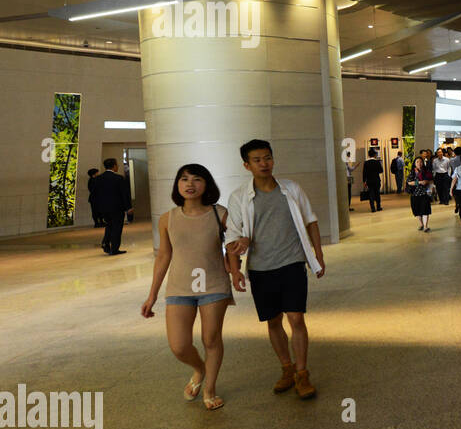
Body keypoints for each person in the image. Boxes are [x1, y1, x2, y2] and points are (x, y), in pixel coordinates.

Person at [224, 139, 324, 400]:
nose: (263, 163)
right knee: (273, 321)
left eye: (267, 158)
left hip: (292, 262)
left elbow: (310, 220)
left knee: (296, 318)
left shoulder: (290, 189)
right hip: (260, 268)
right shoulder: (239, 197)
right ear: (247, 165)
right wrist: (236, 270)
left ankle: (302, 373)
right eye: (256, 160)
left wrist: (318, 255)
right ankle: (287, 369)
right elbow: (232, 237)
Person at [141, 164, 233, 410]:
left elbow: (235, 245)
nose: (190, 184)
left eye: (196, 179)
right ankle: (199, 369)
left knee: (210, 339)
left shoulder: (220, 213)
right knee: (179, 345)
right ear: (177, 185)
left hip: (214, 283)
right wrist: (152, 295)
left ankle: (210, 389)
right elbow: (163, 257)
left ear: (207, 185)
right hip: (180, 287)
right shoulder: (167, 218)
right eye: (184, 179)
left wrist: (234, 266)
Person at [92, 157, 132, 254]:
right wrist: (128, 207)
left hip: (104, 209)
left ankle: (106, 243)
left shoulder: (98, 179)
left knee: (109, 226)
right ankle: (114, 249)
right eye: (117, 165)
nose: (117, 167)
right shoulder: (118, 178)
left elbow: (95, 195)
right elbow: (124, 194)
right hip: (117, 208)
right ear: (114, 166)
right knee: (117, 228)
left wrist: (99, 208)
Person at [407, 155, 433, 231]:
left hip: (424, 194)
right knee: (417, 212)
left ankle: (425, 226)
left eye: (421, 162)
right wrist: (420, 182)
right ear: (414, 163)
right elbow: (409, 182)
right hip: (414, 194)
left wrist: (427, 182)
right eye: (417, 162)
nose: (419, 163)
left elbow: (431, 180)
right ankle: (421, 224)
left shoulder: (426, 171)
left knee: (425, 210)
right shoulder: (412, 172)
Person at [362, 148, 383, 212]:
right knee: (377, 193)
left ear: (369, 155)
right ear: (374, 155)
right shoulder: (377, 162)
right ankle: (378, 207)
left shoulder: (366, 163)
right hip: (376, 180)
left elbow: (364, 173)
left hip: (369, 181)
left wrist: (364, 181)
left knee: (371, 194)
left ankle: (373, 208)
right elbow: (381, 171)